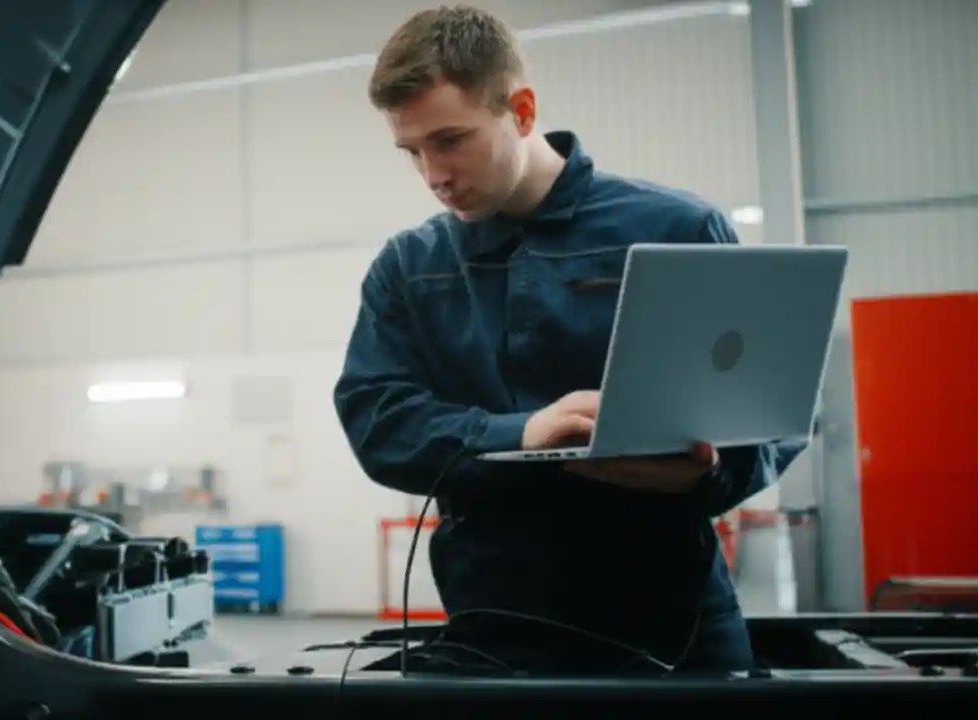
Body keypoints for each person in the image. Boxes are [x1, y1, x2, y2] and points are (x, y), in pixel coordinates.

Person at [332, 5, 804, 674]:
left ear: (521, 110)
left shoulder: (677, 228)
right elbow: (377, 421)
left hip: (674, 629)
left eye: (451, 140)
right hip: (492, 628)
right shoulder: (409, 267)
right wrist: (518, 433)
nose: (433, 174)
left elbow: (770, 413)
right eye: (412, 151)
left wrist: (711, 468)